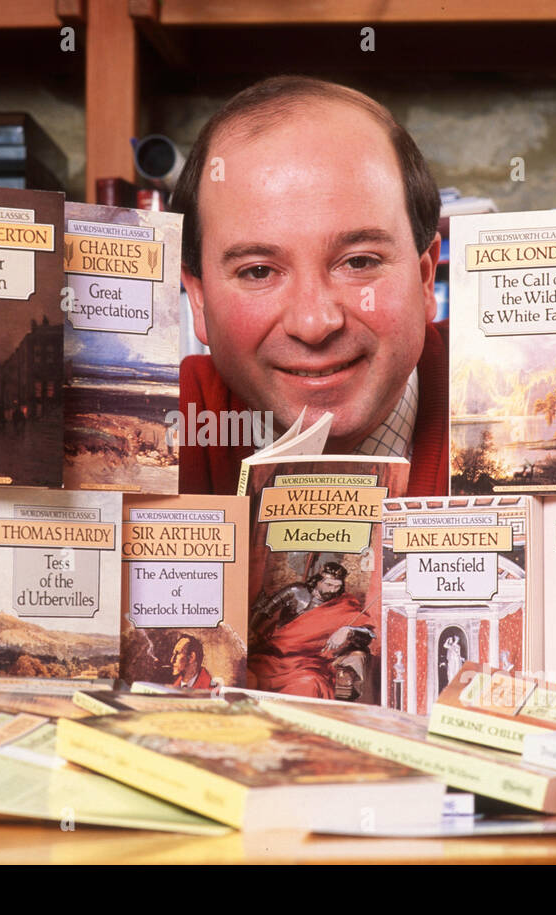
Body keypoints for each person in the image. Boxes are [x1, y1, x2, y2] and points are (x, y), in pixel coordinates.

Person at [172, 76, 448, 496]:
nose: (314, 324)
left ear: (426, 277)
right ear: (198, 297)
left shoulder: (520, 401)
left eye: (358, 262)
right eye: (258, 271)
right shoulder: (159, 420)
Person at [248, 561, 375, 699]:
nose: (333, 590)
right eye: (329, 585)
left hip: (310, 662)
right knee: (249, 677)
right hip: (274, 655)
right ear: (317, 581)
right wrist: (250, 630)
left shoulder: (344, 603)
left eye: (337, 586)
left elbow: (367, 635)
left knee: (309, 683)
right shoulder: (296, 591)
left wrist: (347, 630)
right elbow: (264, 610)